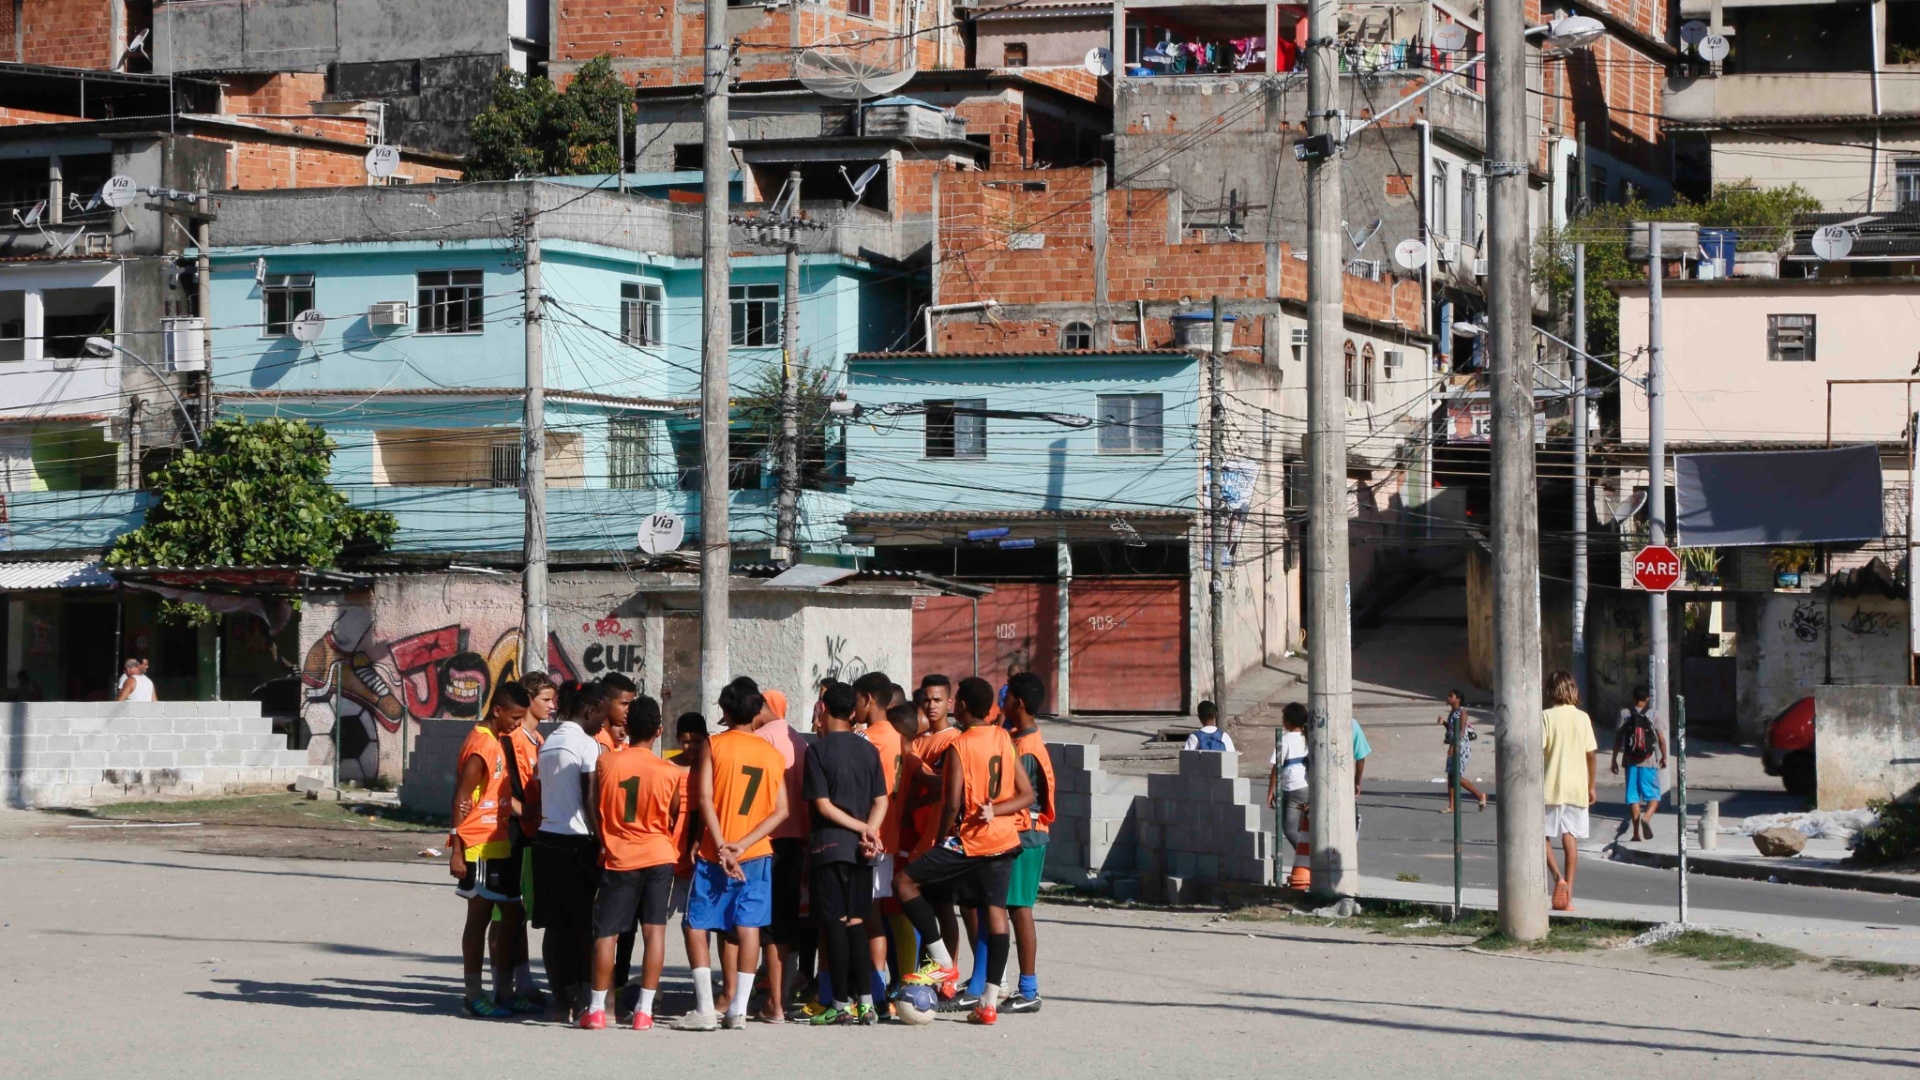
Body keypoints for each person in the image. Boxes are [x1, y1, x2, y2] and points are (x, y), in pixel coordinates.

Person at [894, 676, 1035, 1027]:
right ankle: (988, 1002)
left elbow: (951, 801)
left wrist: (940, 840)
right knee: (995, 913)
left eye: (956, 701)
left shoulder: (961, 744)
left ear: (963, 707)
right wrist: (998, 811)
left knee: (905, 883)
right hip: (1003, 841)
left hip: (970, 841)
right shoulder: (1003, 737)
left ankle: (942, 961)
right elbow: (1026, 795)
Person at [673, 680, 789, 1031]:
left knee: (695, 924)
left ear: (724, 711)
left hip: (714, 852)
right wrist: (743, 843)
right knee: (749, 925)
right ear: (756, 711)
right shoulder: (772, 754)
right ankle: (738, 1009)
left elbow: (705, 798)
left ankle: (706, 1008)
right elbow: (780, 810)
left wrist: (723, 844)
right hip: (756, 852)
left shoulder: (715, 744)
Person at [582, 693, 681, 1031]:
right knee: (654, 933)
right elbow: (672, 813)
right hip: (658, 854)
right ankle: (644, 1011)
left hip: (619, 856)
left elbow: (595, 806)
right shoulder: (669, 771)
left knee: (606, 934)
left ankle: (596, 1009)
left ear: (626, 726)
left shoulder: (607, 762)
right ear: (659, 729)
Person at [801, 680, 889, 1025]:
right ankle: (865, 1002)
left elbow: (822, 806)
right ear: (853, 712)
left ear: (823, 709)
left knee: (835, 924)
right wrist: (870, 829)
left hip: (831, 846)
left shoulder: (817, 751)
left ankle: (839, 1003)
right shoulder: (868, 749)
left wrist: (858, 828)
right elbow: (881, 800)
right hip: (862, 851)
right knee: (857, 922)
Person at [448, 680, 534, 1018]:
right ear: (497, 710)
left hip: (498, 844)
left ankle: (504, 991)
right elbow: (461, 797)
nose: (517, 723)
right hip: (478, 847)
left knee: (513, 913)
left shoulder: (497, 740)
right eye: (514, 717)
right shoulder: (481, 745)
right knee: (479, 919)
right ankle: (473, 995)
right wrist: (457, 850)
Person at [534, 681, 610, 1021]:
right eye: (603, 717)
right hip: (578, 841)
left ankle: (559, 1000)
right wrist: (603, 838)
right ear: (589, 711)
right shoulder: (586, 744)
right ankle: (582, 998)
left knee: (554, 925)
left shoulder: (550, 741)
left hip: (546, 838)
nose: (604, 725)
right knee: (582, 925)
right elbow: (590, 796)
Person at [750, 684, 809, 1022]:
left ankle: (774, 1001)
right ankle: (784, 991)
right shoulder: (795, 737)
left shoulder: (761, 740)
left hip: (768, 838)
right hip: (797, 838)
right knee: (788, 919)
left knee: (766, 923)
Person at [851, 671, 909, 1003]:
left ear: (868, 700)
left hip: (871, 835)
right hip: (889, 835)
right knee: (875, 913)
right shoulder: (898, 737)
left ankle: (873, 988)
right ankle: (879, 984)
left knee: (868, 915)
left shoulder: (869, 740)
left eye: (857, 701)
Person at [1002, 671, 1054, 1014]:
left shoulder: (1027, 749)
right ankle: (1000, 983)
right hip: (1020, 833)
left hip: (1026, 835)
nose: (1000, 703)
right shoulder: (1019, 738)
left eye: (1005, 698)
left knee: (1020, 909)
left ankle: (1029, 988)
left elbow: (1021, 797)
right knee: (1009, 908)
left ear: (1017, 704)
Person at [503, 671, 554, 1007]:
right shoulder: (513, 739)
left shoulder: (539, 741)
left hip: (536, 832)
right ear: (528, 700)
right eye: (546, 699)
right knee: (509, 910)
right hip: (516, 833)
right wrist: (529, 814)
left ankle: (523, 978)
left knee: (523, 909)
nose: (552, 706)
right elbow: (507, 792)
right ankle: (509, 983)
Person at [1543, 669, 1599, 912]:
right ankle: (1569, 898)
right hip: (1577, 787)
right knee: (1570, 837)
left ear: (1550, 691)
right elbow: (1591, 755)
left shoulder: (1545, 717)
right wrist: (1591, 785)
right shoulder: (1583, 718)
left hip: (1549, 785)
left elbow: (1538, 750)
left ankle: (1557, 878)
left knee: (1539, 836)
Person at [1611, 686, 1668, 842]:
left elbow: (1618, 739)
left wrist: (1614, 759)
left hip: (1630, 762)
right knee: (1654, 796)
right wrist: (1664, 757)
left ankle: (1636, 834)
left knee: (1633, 798)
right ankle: (1647, 818)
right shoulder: (1654, 714)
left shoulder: (1625, 713)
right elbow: (1661, 739)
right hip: (1648, 761)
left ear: (1633, 698)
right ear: (1647, 699)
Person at [1263, 703, 1311, 886]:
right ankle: (1307, 859)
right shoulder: (1308, 737)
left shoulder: (1286, 739)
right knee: (1304, 828)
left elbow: (1277, 766)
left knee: (1290, 829)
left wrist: (1270, 791)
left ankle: (1307, 858)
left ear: (1288, 721)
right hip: (1308, 787)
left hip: (1293, 788)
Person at [1438, 690, 1487, 813]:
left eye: (1451, 696)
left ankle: (1480, 795)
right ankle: (1451, 806)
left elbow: (1461, 731)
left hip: (1461, 747)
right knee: (1451, 776)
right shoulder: (1452, 713)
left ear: (1458, 699)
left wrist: (1454, 746)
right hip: (1453, 746)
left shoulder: (1462, 712)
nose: (1448, 698)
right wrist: (1443, 723)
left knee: (1456, 776)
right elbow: (1451, 729)